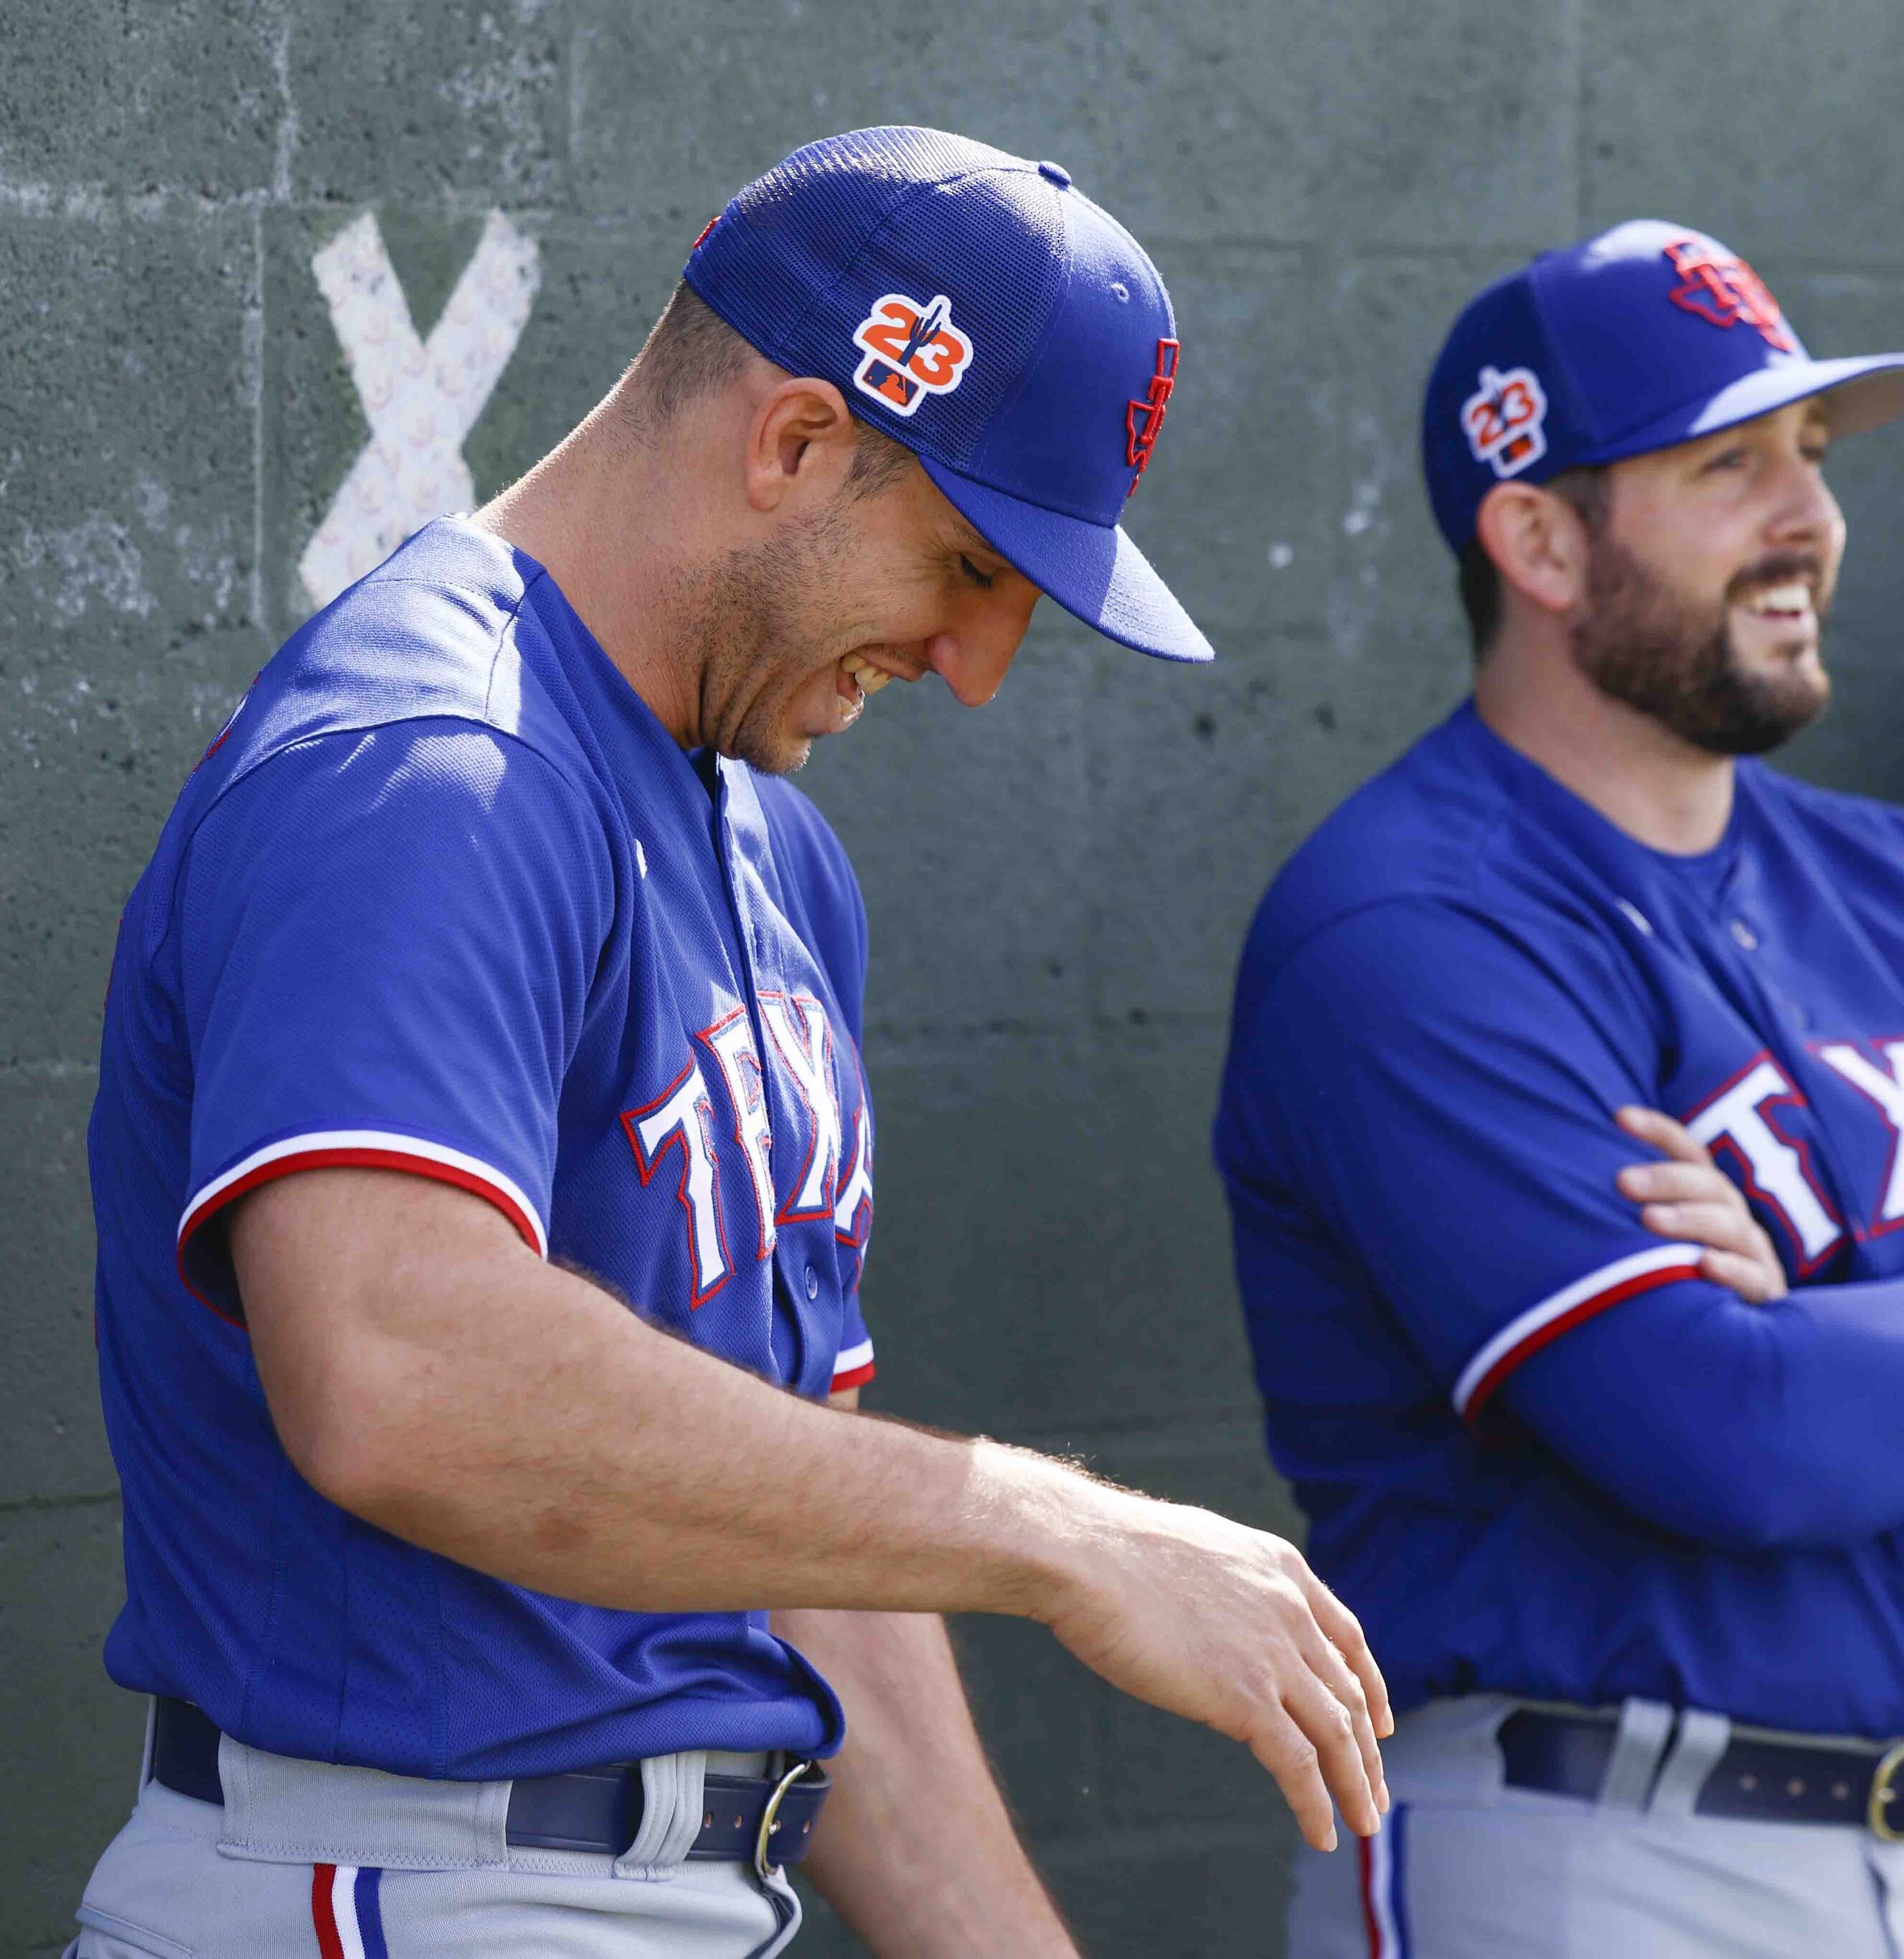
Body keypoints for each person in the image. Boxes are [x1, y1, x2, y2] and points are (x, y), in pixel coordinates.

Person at [75, 127, 1389, 1959]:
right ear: (792, 441)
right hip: (405, 1876)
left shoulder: (773, 846)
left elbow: (801, 1523)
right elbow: (398, 1370)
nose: (980, 662)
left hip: (671, 1890)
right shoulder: (438, 763)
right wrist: (1058, 1530)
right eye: (967, 563)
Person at [1213, 220, 1904, 1958]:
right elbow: (1734, 1445)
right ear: (1539, 537)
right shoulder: (1408, 930)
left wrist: (1821, 1330)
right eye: (1728, 467)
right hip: (1589, 1850)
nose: (1809, 521)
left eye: (1814, 459)